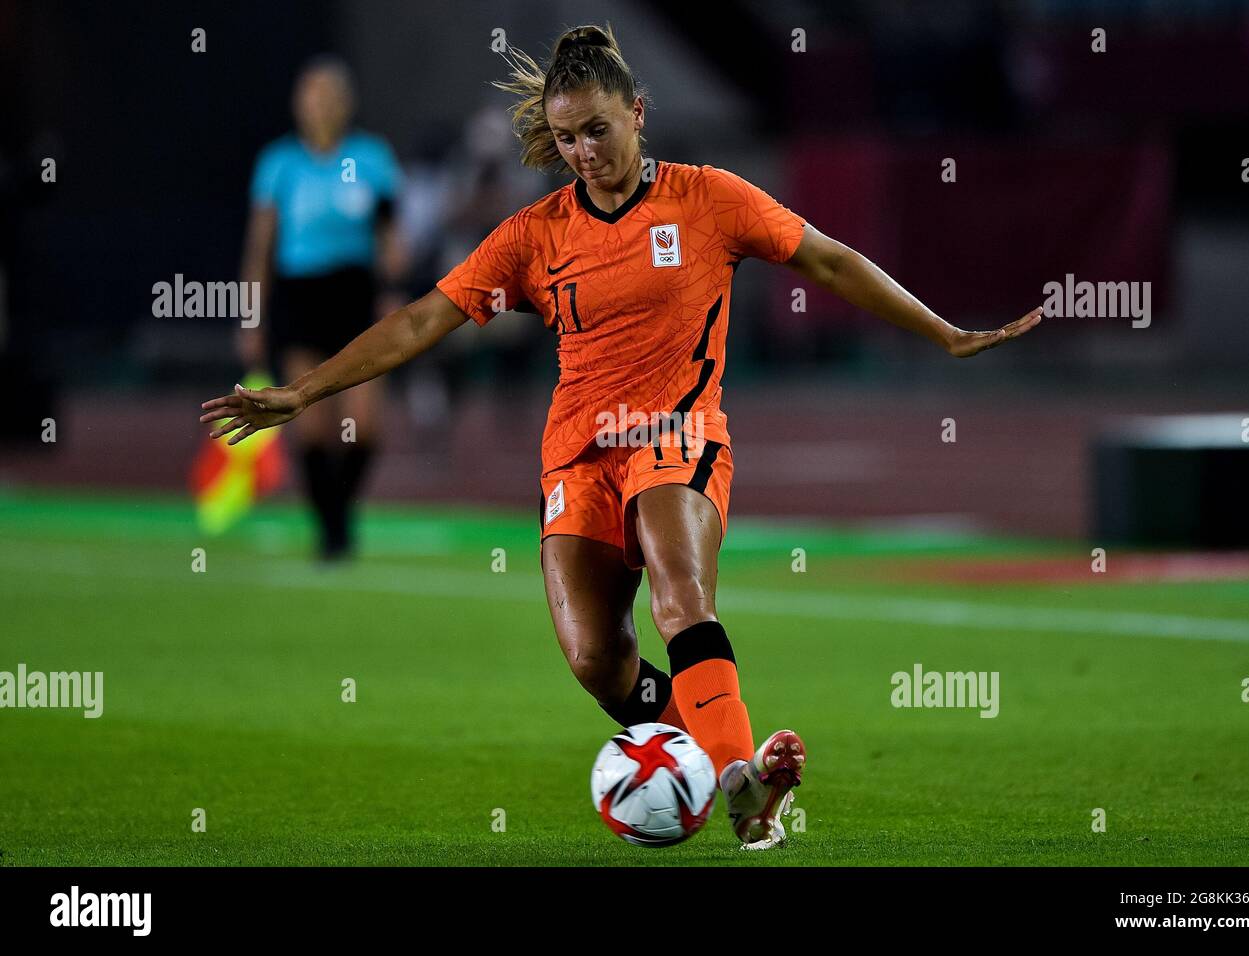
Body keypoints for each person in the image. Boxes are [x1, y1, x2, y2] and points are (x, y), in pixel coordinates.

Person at [203, 24, 1040, 849]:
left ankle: (744, 793)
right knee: (597, 661)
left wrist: (944, 332)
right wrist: (303, 390)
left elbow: (827, 260)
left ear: (639, 111)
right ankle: (734, 763)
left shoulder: (710, 199)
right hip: (576, 453)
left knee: (681, 598)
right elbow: (428, 316)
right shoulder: (536, 236)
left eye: (598, 130)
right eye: (566, 138)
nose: (583, 152)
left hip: (678, 433)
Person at [239, 55, 405, 560]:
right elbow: (260, 248)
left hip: (355, 297)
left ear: (347, 103)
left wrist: (398, 283)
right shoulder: (279, 164)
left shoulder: (372, 159)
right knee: (309, 424)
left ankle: (338, 512)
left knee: (365, 426)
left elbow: (391, 239)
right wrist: (251, 317)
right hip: (300, 297)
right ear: (298, 104)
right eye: (312, 96)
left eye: (331, 95)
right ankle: (332, 534)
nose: (321, 106)